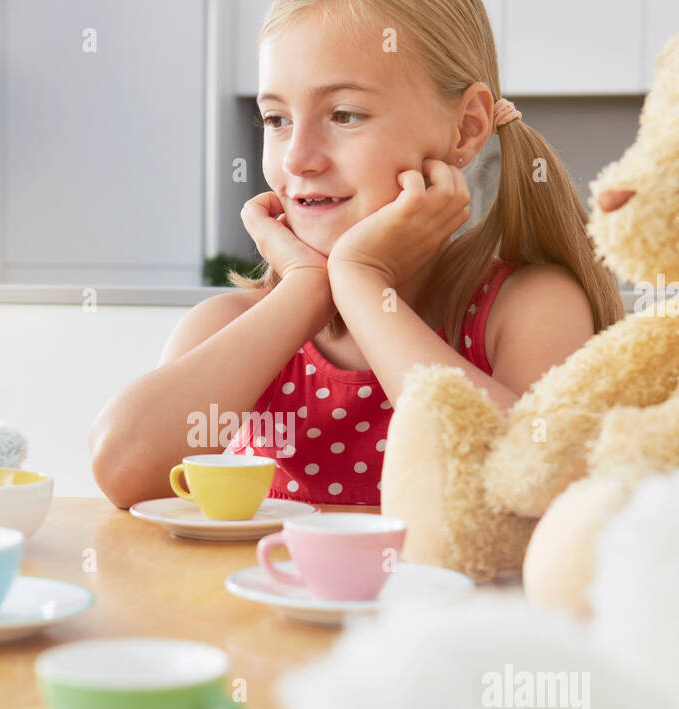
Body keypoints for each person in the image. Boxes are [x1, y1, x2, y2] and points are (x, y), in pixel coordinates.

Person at [90, 0, 623, 508]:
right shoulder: (237, 325)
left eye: (344, 115)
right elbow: (123, 472)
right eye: (276, 120)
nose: (298, 157)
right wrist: (308, 288)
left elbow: (542, 484)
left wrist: (362, 282)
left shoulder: (526, 308)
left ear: (465, 128)